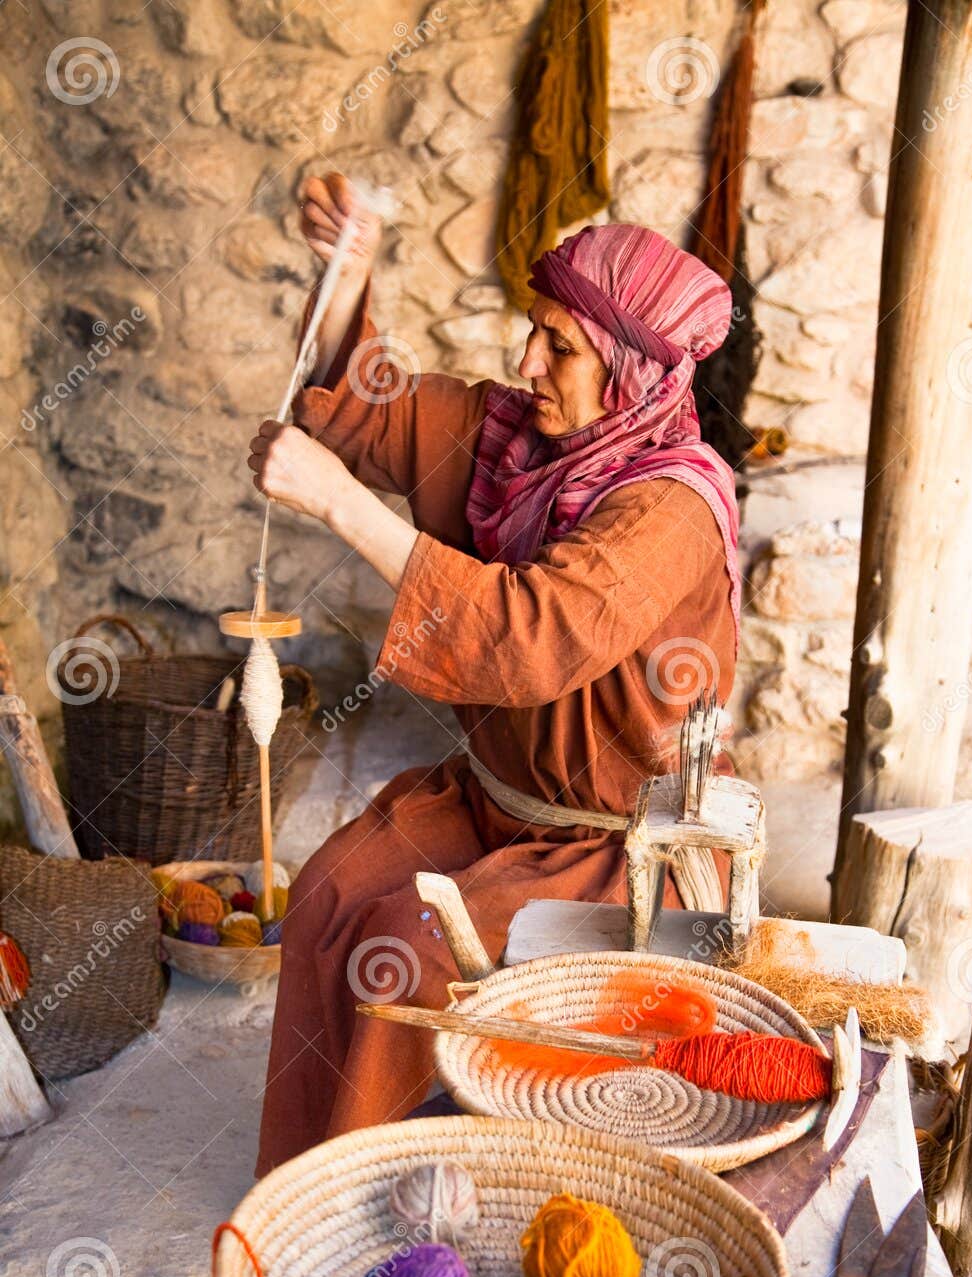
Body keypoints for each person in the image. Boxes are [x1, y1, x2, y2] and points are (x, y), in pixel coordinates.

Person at [251, 173, 740, 1174]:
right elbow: (369, 416)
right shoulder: (521, 443)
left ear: (634, 371)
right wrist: (348, 269)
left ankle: (354, 1199)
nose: (526, 361)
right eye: (535, 330)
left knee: (409, 944)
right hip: (495, 798)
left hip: (612, 847)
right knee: (328, 888)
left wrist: (342, 506)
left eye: (559, 347)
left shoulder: (669, 511)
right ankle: (300, 1177)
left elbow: (529, 637)